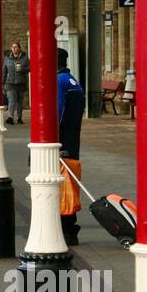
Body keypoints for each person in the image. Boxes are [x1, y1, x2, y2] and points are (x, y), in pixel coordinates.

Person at [57, 48, 86, 246]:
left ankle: (66, 230)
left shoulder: (59, 82)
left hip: (60, 143)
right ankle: (70, 228)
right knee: (69, 187)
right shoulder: (74, 81)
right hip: (73, 142)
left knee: (60, 189)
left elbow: (56, 114)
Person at [2, 41, 30, 125]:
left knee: (19, 101)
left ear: (19, 48)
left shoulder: (25, 58)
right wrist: (2, 83)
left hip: (21, 82)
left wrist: (22, 69)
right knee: (11, 100)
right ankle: (10, 117)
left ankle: (19, 118)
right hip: (10, 83)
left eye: (16, 47)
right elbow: (4, 71)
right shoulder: (7, 58)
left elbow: (29, 68)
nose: (14, 49)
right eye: (12, 47)